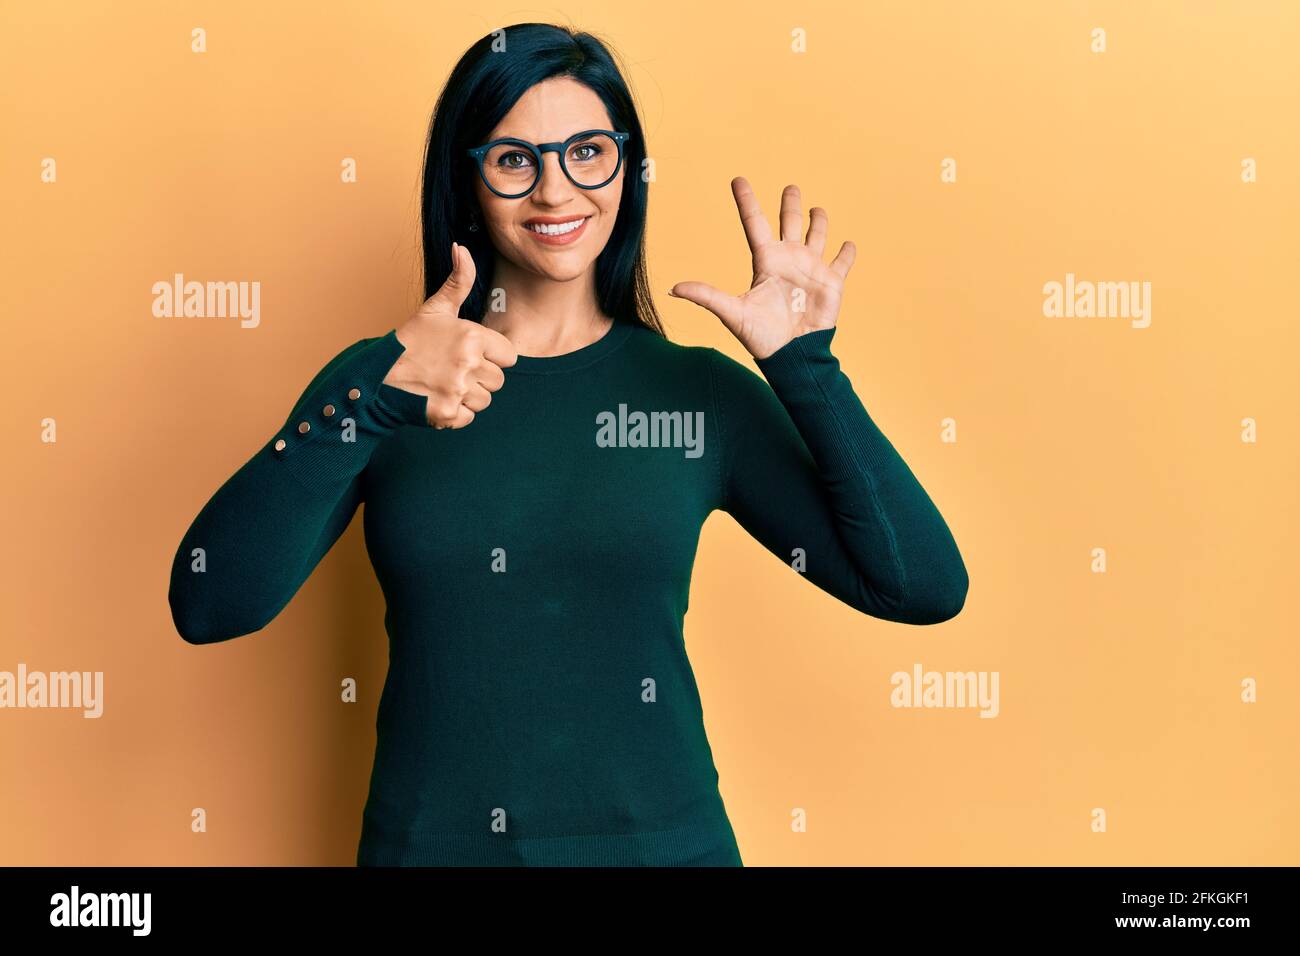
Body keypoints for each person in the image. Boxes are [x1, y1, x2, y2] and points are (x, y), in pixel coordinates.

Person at [168, 22, 969, 867]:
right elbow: (210, 603)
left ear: (626, 165)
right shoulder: (393, 382)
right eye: (516, 159)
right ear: (468, 178)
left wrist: (805, 370)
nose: (556, 191)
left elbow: (921, 586)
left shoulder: (696, 396)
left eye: (587, 151)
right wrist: (367, 399)